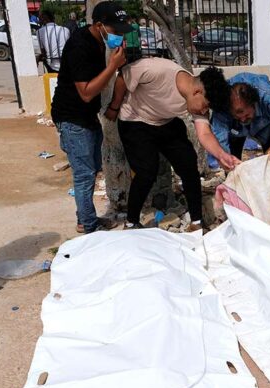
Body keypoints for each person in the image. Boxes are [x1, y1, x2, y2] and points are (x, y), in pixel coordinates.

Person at [104, 58, 239, 230]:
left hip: (165, 122)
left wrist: (222, 155)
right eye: (205, 107)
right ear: (197, 92)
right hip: (134, 120)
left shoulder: (197, 101)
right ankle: (131, 222)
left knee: (189, 163)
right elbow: (124, 76)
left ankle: (197, 222)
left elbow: (204, 133)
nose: (204, 111)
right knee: (147, 170)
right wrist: (114, 106)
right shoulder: (157, 70)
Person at [51, 1, 130, 233]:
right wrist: (113, 65)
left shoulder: (97, 41)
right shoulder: (79, 46)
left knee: (92, 168)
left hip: (86, 116)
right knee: (85, 175)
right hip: (72, 117)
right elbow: (86, 93)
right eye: (115, 30)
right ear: (99, 25)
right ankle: (88, 225)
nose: (118, 35)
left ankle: (84, 218)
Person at [210, 71, 270, 163]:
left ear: (253, 103)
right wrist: (226, 161)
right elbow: (219, 141)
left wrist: (269, 155)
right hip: (235, 131)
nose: (242, 119)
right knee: (232, 165)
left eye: (244, 113)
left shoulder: (266, 94)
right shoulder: (221, 105)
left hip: (268, 125)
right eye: (236, 115)